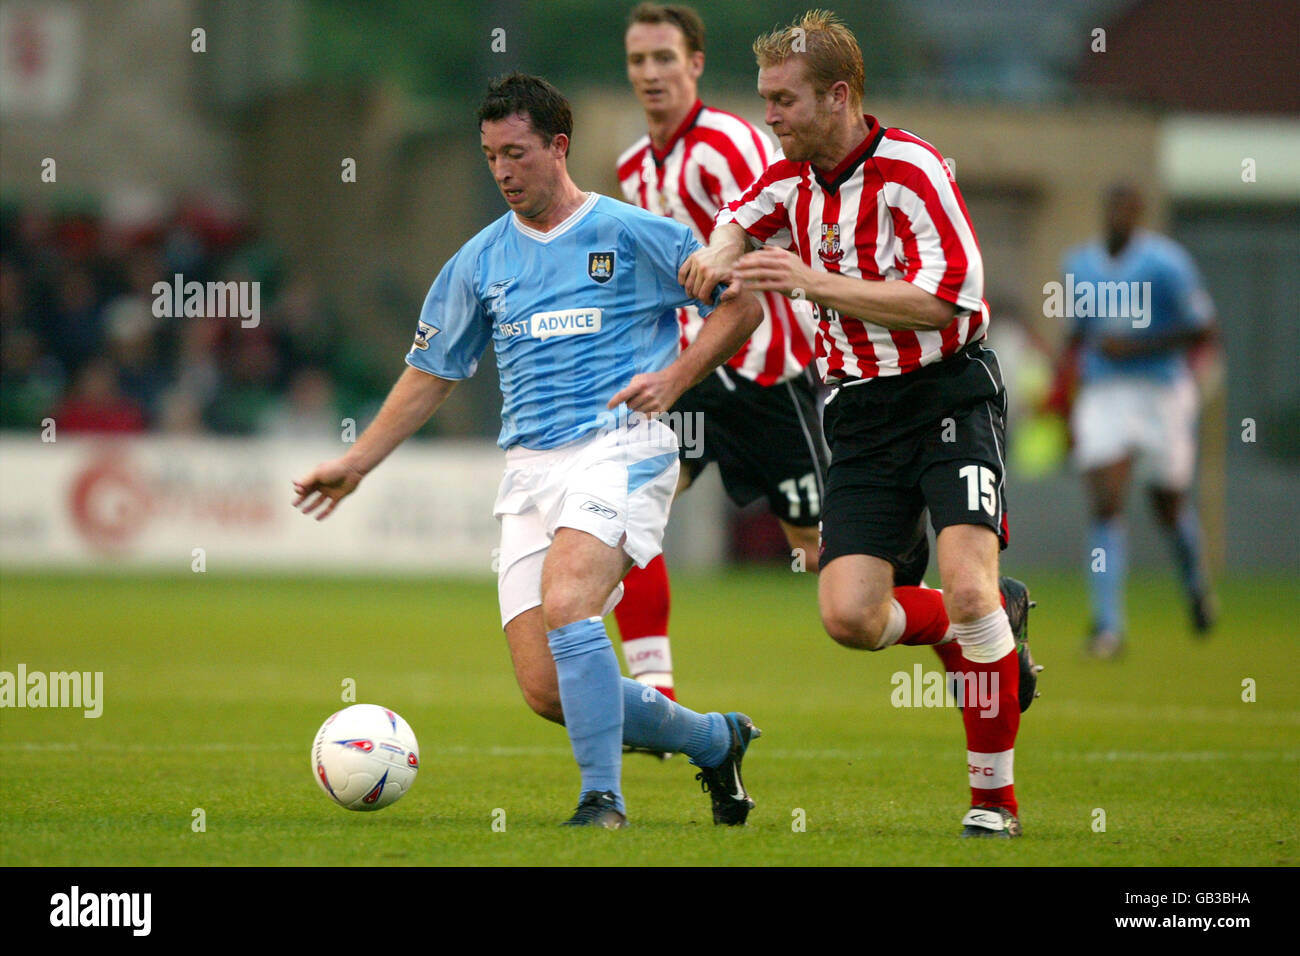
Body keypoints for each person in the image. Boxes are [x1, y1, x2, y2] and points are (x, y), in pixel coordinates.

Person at [293, 74, 764, 829]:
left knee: (571, 602)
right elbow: (430, 373)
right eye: (490, 157)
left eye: (516, 152)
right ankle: (715, 738)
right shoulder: (478, 262)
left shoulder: (633, 233)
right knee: (549, 690)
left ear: (559, 146)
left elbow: (740, 301)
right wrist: (356, 462)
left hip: (622, 447)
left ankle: (601, 800)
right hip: (530, 471)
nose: (503, 170)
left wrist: (676, 376)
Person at [680, 10, 1039, 838]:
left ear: (837, 97)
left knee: (967, 583)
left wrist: (812, 282)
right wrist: (720, 251)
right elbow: (741, 213)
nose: (768, 116)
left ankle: (994, 803)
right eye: (765, 99)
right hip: (860, 413)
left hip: (948, 395)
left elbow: (945, 299)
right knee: (848, 615)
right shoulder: (790, 177)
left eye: (783, 100)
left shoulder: (915, 172)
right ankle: (985, 622)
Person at [613, 3, 824, 707]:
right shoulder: (634, 167)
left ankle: (977, 618)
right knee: (623, 512)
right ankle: (656, 697)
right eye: (639, 60)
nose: (651, 73)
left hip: (771, 376)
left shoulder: (729, 143)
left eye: (665, 58)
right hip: (693, 375)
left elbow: (790, 220)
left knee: (825, 560)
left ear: (695, 63)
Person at [1052, 183, 1218, 659]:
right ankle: (1108, 626)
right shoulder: (1078, 265)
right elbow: (1076, 336)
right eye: (1113, 207)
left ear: (1140, 214)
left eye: (1129, 208)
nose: (1119, 215)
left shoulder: (1168, 264)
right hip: (1104, 393)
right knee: (1106, 501)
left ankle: (1196, 586)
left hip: (1160, 390)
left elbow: (1204, 330)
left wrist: (1137, 346)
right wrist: (1065, 401)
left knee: (1166, 504)